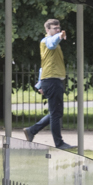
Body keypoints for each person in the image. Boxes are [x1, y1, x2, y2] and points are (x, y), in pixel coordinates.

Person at [23, 18, 72, 150]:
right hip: (52, 80)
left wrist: (40, 84)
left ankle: (32, 130)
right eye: (54, 28)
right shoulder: (47, 41)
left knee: (55, 112)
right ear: (47, 29)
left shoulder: (52, 44)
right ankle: (59, 143)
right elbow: (51, 43)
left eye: (58, 28)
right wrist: (59, 36)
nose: (57, 30)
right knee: (56, 114)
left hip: (50, 80)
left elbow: (43, 66)